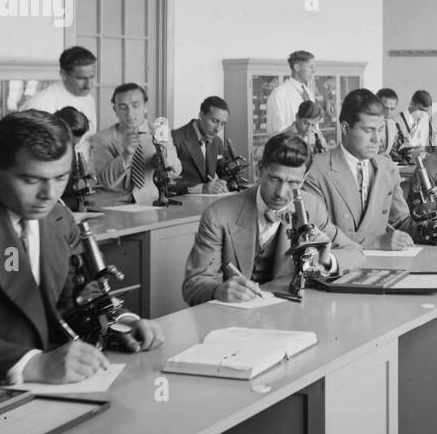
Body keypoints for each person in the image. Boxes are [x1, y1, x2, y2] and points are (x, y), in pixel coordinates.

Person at [0, 110, 164, 393]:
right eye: (31, 180)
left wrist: (120, 324)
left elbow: (74, 299)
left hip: (41, 390)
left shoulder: (58, 218)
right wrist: (36, 365)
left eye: (61, 177)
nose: (49, 194)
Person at [182, 132, 364, 306]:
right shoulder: (218, 214)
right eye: (275, 179)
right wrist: (218, 291)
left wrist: (327, 260)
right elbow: (194, 285)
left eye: (294, 183)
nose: (281, 193)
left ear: (304, 178)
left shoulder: (311, 206)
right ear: (260, 169)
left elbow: (356, 254)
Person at [302, 89, 414, 248]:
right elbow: (316, 231)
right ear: (345, 129)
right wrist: (376, 242)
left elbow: (401, 221)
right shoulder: (315, 170)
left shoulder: (388, 168)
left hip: (384, 265)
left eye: (380, 130)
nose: (377, 139)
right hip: (337, 265)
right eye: (368, 130)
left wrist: (430, 229)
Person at [89, 83, 182, 206]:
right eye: (123, 107)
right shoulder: (102, 139)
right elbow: (105, 181)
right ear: (115, 109)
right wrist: (126, 155)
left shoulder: (159, 131)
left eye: (135, 105)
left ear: (145, 106)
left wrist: (165, 153)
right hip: (114, 204)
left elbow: (176, 172)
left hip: (150, 202)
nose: (130, 112)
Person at [21, 47, 98, 145]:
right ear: (63, 74)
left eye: (91, 77)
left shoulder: (89, 99)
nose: (88, 85)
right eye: (81, 78)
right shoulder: (38, 105)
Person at [171, 96, 231, 195]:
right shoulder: (175, 138)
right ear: (201, 115)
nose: (218, 129)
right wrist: (201, 188)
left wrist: (223, 184)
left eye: (222, 124)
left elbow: (225, 173)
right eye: (214, 121)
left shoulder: (217, 142)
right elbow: (167, 183)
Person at [265, 50, 316, 135]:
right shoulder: (279, 94)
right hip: (289, 146)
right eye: (310, 67)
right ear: (297, 67)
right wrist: (296, 127)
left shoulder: (308, 93)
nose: (313, 71)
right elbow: (275, 131)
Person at [395, 90, 434, 156]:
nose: (423, 114)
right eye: (421, 109)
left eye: (426, 111)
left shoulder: (425, 123)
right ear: (411, 103)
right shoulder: (395, 122)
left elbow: (426, 149)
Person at [375, 87, 400, 156]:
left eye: (392, 109)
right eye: (385, 107)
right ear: (375, 103)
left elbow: (393, 151)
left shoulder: (392, 124)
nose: (388, 113)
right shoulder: (365, 124)